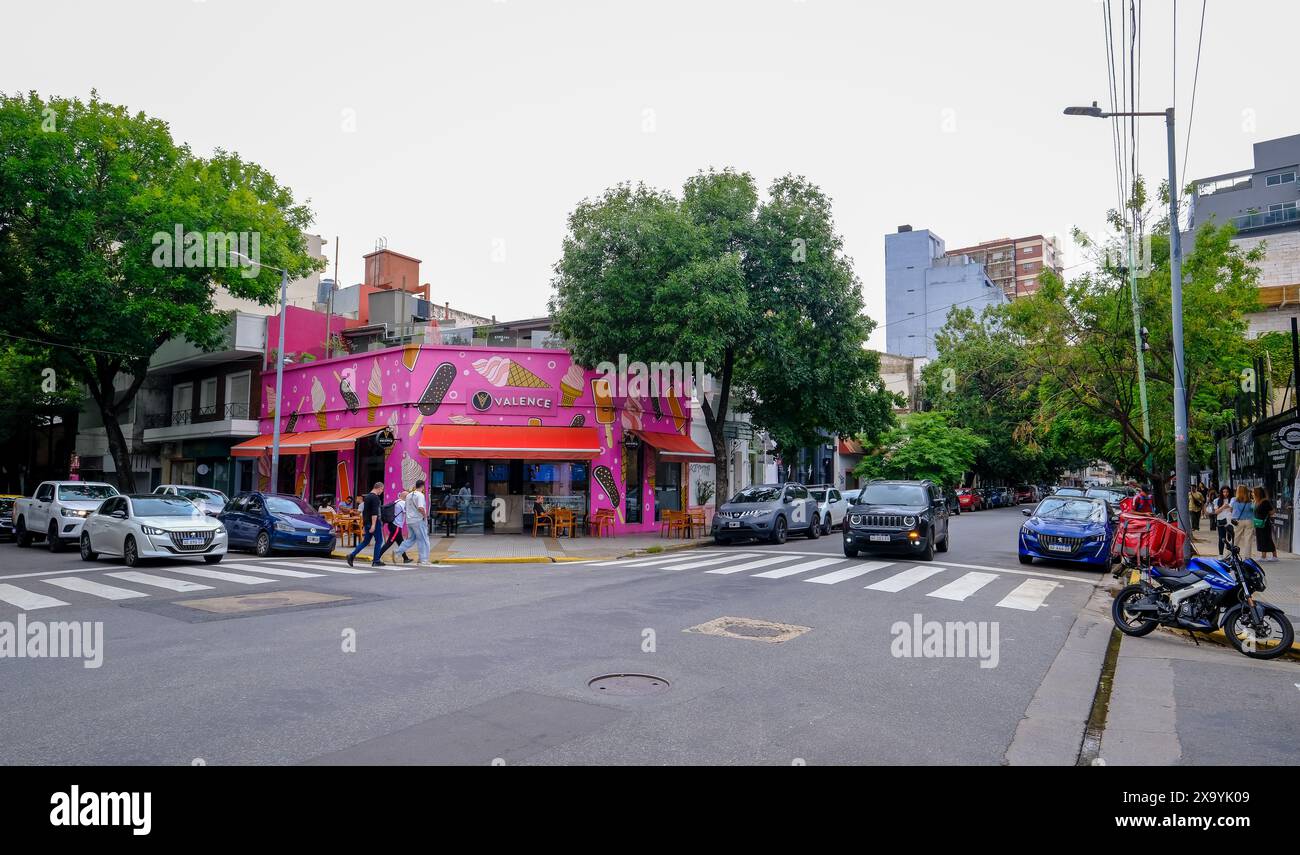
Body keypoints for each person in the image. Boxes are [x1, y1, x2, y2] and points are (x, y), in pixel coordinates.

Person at [347, 482, 390, 568]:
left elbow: (365, 512)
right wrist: (373, 525)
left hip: (367, 522)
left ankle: (352, 555)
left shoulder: (367, 497)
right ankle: (376, 561)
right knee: (379, 541)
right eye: (382, 489)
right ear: (379, 488)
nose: (382, 491)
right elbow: (374, 513)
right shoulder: (375, 498)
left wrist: (365, 525)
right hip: (374, 522)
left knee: (366, 541)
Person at [394, 479, 431, 566]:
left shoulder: (409, 495)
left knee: (411, 539)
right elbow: (420, 508)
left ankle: (397, 552)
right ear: (422, 486)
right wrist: (425, 516)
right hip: (418, 520)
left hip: (409, 521)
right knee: (423, 540)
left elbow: (407, 508)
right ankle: (423, 560)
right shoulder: (420, 495)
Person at [383, 489, 410, 564]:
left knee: (400, 542)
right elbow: (407, 512)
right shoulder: (403, 503)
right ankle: (377, 557)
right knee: (389, 543)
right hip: (396, 526)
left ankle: (405, 558)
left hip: (392, 524)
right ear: (406, 497)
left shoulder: (396, 501)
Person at [1229, 485, 1256, 561]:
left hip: (1237, 521)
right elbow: (1254, 509)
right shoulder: (1250, 501)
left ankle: (1229, 555)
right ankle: (1247, 558)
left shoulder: (1233, 500)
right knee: (1248, 540)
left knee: (1235, 539)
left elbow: (1230, 509)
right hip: (1249, 521)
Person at [1253, 486, 1279, 562]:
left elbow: (1272, 511)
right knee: (1261, 539)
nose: (1252, 494)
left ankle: (1273, 556)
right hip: (1258, 523)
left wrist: (1266, 514)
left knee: (1267, 539)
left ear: (1258, 493)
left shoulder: (1265, 502)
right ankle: (1263, 556)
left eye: (1253, 492)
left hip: (1265, 523)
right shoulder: (1256, 501)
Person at [1212, 486, 1233, 555]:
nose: (1225, 493)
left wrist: (1230, 507)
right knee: (1222, 538)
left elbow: (1234, 511)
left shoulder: (1233, 500)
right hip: (1221, 521)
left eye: (1227, 492)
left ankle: (1230, 554)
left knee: (1231, 538)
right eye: (1224, 492)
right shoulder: (1217, 500)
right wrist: (1223, 507)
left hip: (1231, 521)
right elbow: (1216, 512)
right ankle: (1220, 554)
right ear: (1221, 492)